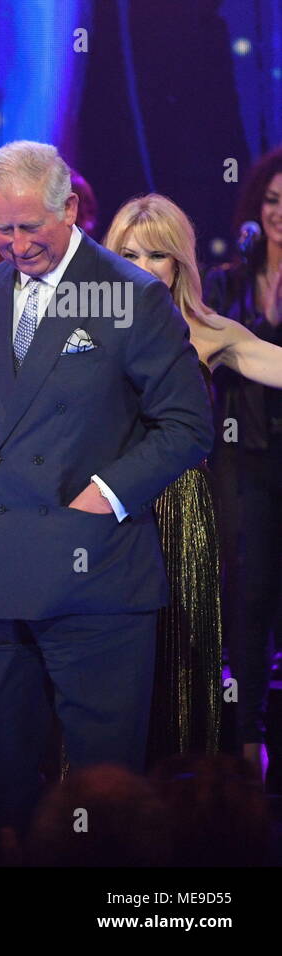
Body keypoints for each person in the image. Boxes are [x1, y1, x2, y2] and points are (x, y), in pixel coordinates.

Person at [0, 140, 213, 842]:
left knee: (104, 802)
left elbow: (190, 425)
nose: (15, 245)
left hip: (95, 576)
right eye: (1, 230)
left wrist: (107, 491)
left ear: (68, 208)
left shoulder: (130, 294)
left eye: (29, 227)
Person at [105, 193, 282, 763]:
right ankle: (98, 804)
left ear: (179, 263)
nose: (141, 266)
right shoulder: (79, 324)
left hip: (183, 511)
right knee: (109, 657)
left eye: (156, 255)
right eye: (127, 252)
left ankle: (179, 803)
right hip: (106, 509)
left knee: (183, 658)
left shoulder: (207, 331)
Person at [203, 145, 282, 783]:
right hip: (241, 457)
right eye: (272, 200)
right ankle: (245, 738)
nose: (280, 213)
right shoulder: (226, 281)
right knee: (247, 595)